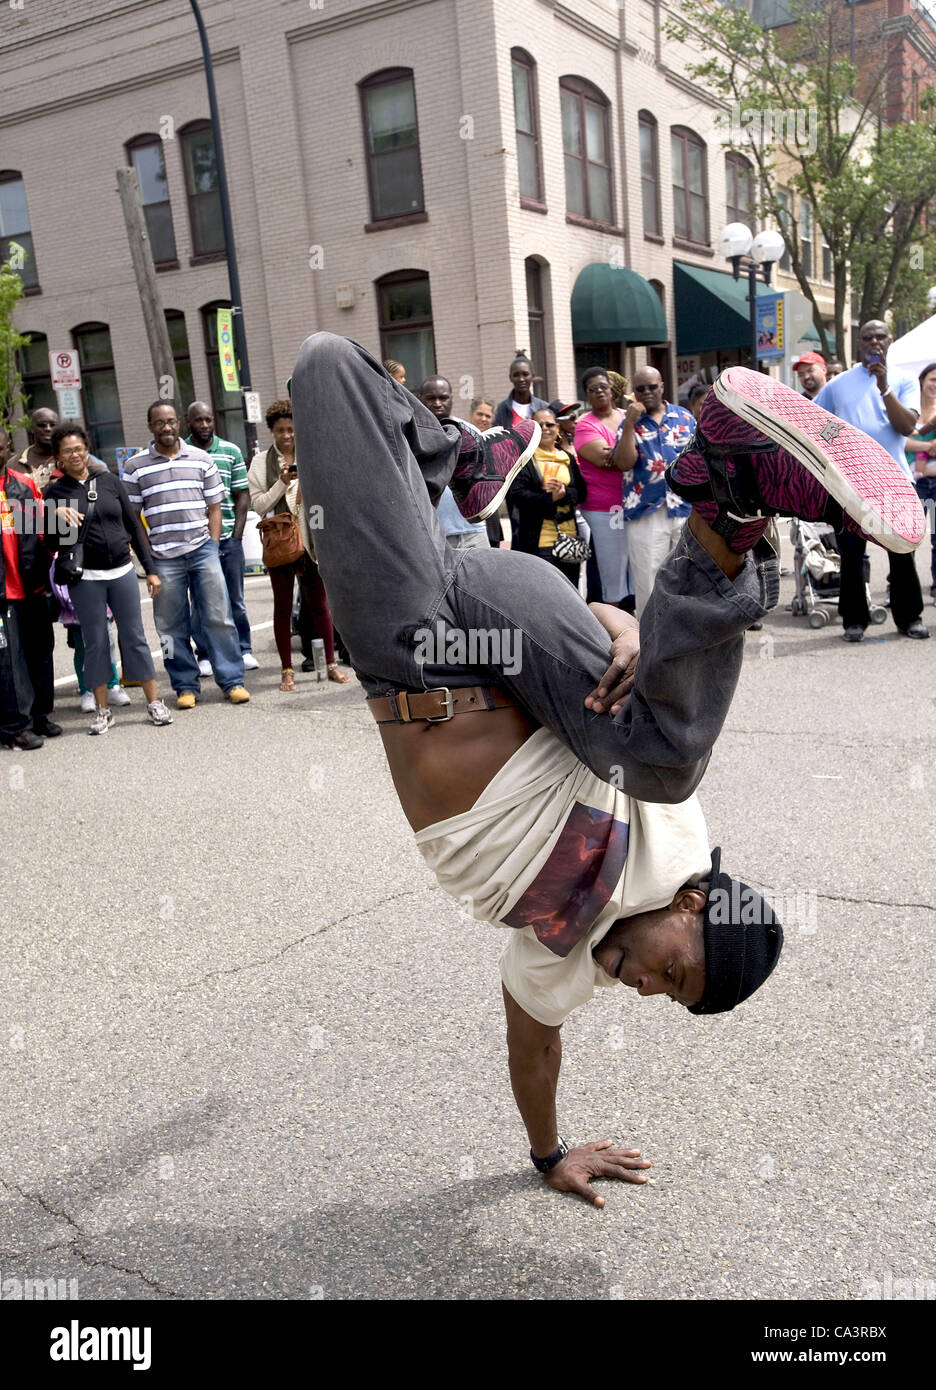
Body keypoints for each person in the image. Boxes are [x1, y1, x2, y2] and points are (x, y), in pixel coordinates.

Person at [290, 334, 923, 1204]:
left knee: (331, 371)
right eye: (676, 970)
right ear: (697, 905)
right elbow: (650, 697)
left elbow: (533, 1045)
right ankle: (728, 507)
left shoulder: (566, 961)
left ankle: (464, 457)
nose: (647, 985)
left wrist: (551, 1158)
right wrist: (622, 628)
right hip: (503, 629)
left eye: (666, 996)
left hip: (430, 645)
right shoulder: (682, 847)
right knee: (661, 765)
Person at [44, 425, 172, 734]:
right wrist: (54, 514)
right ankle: (102, 710)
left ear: (86, 449)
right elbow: (49, 542)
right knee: (96, 641)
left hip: (122, 572)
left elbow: (134, 526)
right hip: (85, 577)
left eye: (79, 448)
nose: (75, 455)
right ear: (59, 458)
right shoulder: (54, 493)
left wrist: (150, 569)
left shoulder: (110, 481)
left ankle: (154, 702)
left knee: (135, 637)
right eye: (67, 451)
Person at [122, 403, 250, 705]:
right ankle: (184, 686)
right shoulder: (135, 465)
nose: (166, 428)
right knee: (168, 627)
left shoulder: (201, 458)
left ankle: (232, 680)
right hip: (163, 557)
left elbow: (215, 506)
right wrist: (147, 558)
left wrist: (214, 544)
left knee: (219, 617)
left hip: (202, 548)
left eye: (170, 422)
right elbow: (132, 517)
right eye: (159, 423)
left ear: (178, 423)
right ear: (150, 426)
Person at [814, 320, 929, 642]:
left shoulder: (905, 379)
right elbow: (818, 425)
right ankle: (854, 620)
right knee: (851, 554)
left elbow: (907, 427)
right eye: (867, 338)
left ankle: (909, 618)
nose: (874, 342)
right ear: (859, 343)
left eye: (880, 337)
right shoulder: (838, 385)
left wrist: (884, 387)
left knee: (902, 552)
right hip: (851, 483)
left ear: (890, 341)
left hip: (893, 481)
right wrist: (837, 443)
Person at [247, 398, 349, 691]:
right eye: (280, 430)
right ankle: (286, 670)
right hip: (280, 542)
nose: (287, 435)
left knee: (320, 605)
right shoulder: (259, 463)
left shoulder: (313, 455)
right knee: (282, 607)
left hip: (311, 539)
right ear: (272, 431)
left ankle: (330, 664)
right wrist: (281, 482)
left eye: (291, 429)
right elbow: (259, 504)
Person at [184, 402, 258, 673]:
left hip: (228, 538)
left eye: (208, 419)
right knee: (200, 602)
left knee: (234, 599)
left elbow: (242, 495)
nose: (204, 425)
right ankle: (204, 654)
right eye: (198, 420)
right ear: (188, 421)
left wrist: (237, 537)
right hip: (194, 541)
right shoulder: (181, 453)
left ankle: (243, 649)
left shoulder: (230, 451)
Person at [615, 366, 694, 618]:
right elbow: (624, 462)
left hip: (685, 507)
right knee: (648, 579)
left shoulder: (684, 417)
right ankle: (650, 641)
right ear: (634, 393)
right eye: (640, 389)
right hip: (646, 511)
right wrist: (629, 423)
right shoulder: (629, 422)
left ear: (662, 386)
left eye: (652, 387)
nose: (647, 392)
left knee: (688, 574)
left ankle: (686, 633)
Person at [0, 425, 60, 742]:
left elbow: (39, 534)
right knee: (9, 660)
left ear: (7, 447)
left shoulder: (22, 486)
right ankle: (14, 726)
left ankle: (39, 716)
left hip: (30, 585)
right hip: (3, 594)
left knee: (40, 651)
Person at [574, 367, 633, 610]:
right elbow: (609, 461)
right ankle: (609, 630)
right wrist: (630, 450)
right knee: (612, 575)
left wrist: (623, 452)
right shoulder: (585, 426)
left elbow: (631, 454)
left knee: (633, 572)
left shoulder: (625, 415)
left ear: (612, 390)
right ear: (586, 394)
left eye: (603, 387)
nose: (599, 392)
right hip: (603, 510)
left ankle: (631, 623)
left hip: (633, 505)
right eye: (592, 389)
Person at [508, 408, 586, 585]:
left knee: (571, 591)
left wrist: (564, 493)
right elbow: (517, 495)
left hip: (569, 538)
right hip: (539, 540)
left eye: (549, 424)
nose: (545, 428)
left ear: (558, 428)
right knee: (546, 591)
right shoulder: (524, 459)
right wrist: (548, 498)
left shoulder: (567, 457)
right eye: (539, 425)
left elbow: (581, 491)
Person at [905, 360, 936, 599]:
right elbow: (903, 440)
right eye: (933, 379)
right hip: (910, 482)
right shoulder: (908, 409)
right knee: (906, 538)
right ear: (922, 381)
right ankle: (901, 588)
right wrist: (927, 445)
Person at [493, 353, 550, 429]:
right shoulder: (500, 410)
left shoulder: (544, 407)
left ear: (533, 376)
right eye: (516, 375)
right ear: (510, 378)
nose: (521, 379)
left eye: (525, 374)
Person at [14, 407, 60, 491]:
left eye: (53, 425)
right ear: (32, 428)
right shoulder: (14, 464)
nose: (48, 429)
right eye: (41, 425)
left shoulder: (73, 459)